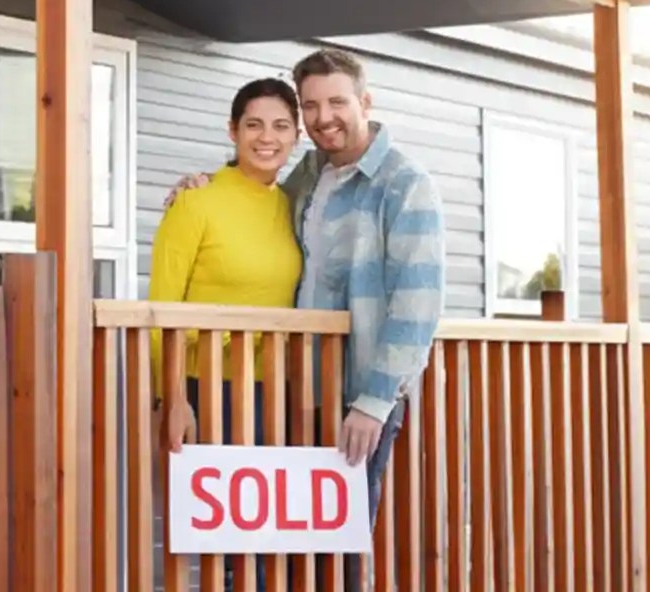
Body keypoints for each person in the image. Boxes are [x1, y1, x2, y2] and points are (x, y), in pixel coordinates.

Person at [165, 48, 446, 590]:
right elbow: (256, 197)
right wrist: (205, 182)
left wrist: (374, 402)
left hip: (359, 397)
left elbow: (417, 304)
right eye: (311, 106)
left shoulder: (404, 185)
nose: (324, 117)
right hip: (297, 390)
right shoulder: (310, 173)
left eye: (337, 101)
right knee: (287, 546)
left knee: (339, 549)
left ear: (365, 101)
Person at [149, 77, 304, 591]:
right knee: (228, 546)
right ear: (232, 130)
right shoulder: (195, 203)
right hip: (209, 389)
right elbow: (161, 312)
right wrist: (171, 398)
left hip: (277, 393)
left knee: (271, 537)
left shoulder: (294, 206)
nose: (267, 137)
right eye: (254, 124)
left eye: (281, 125)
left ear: (296, 135)